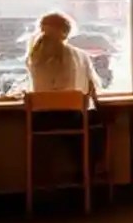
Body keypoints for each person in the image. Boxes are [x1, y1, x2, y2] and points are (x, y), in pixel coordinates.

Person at [25, 11, 106, 162]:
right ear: (67, 32)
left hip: (40, 120)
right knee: (98, 123)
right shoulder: (80, 56)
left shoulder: (33, 57)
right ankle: (89, 170)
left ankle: (39, 177)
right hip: (72, 118)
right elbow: (93, 88)